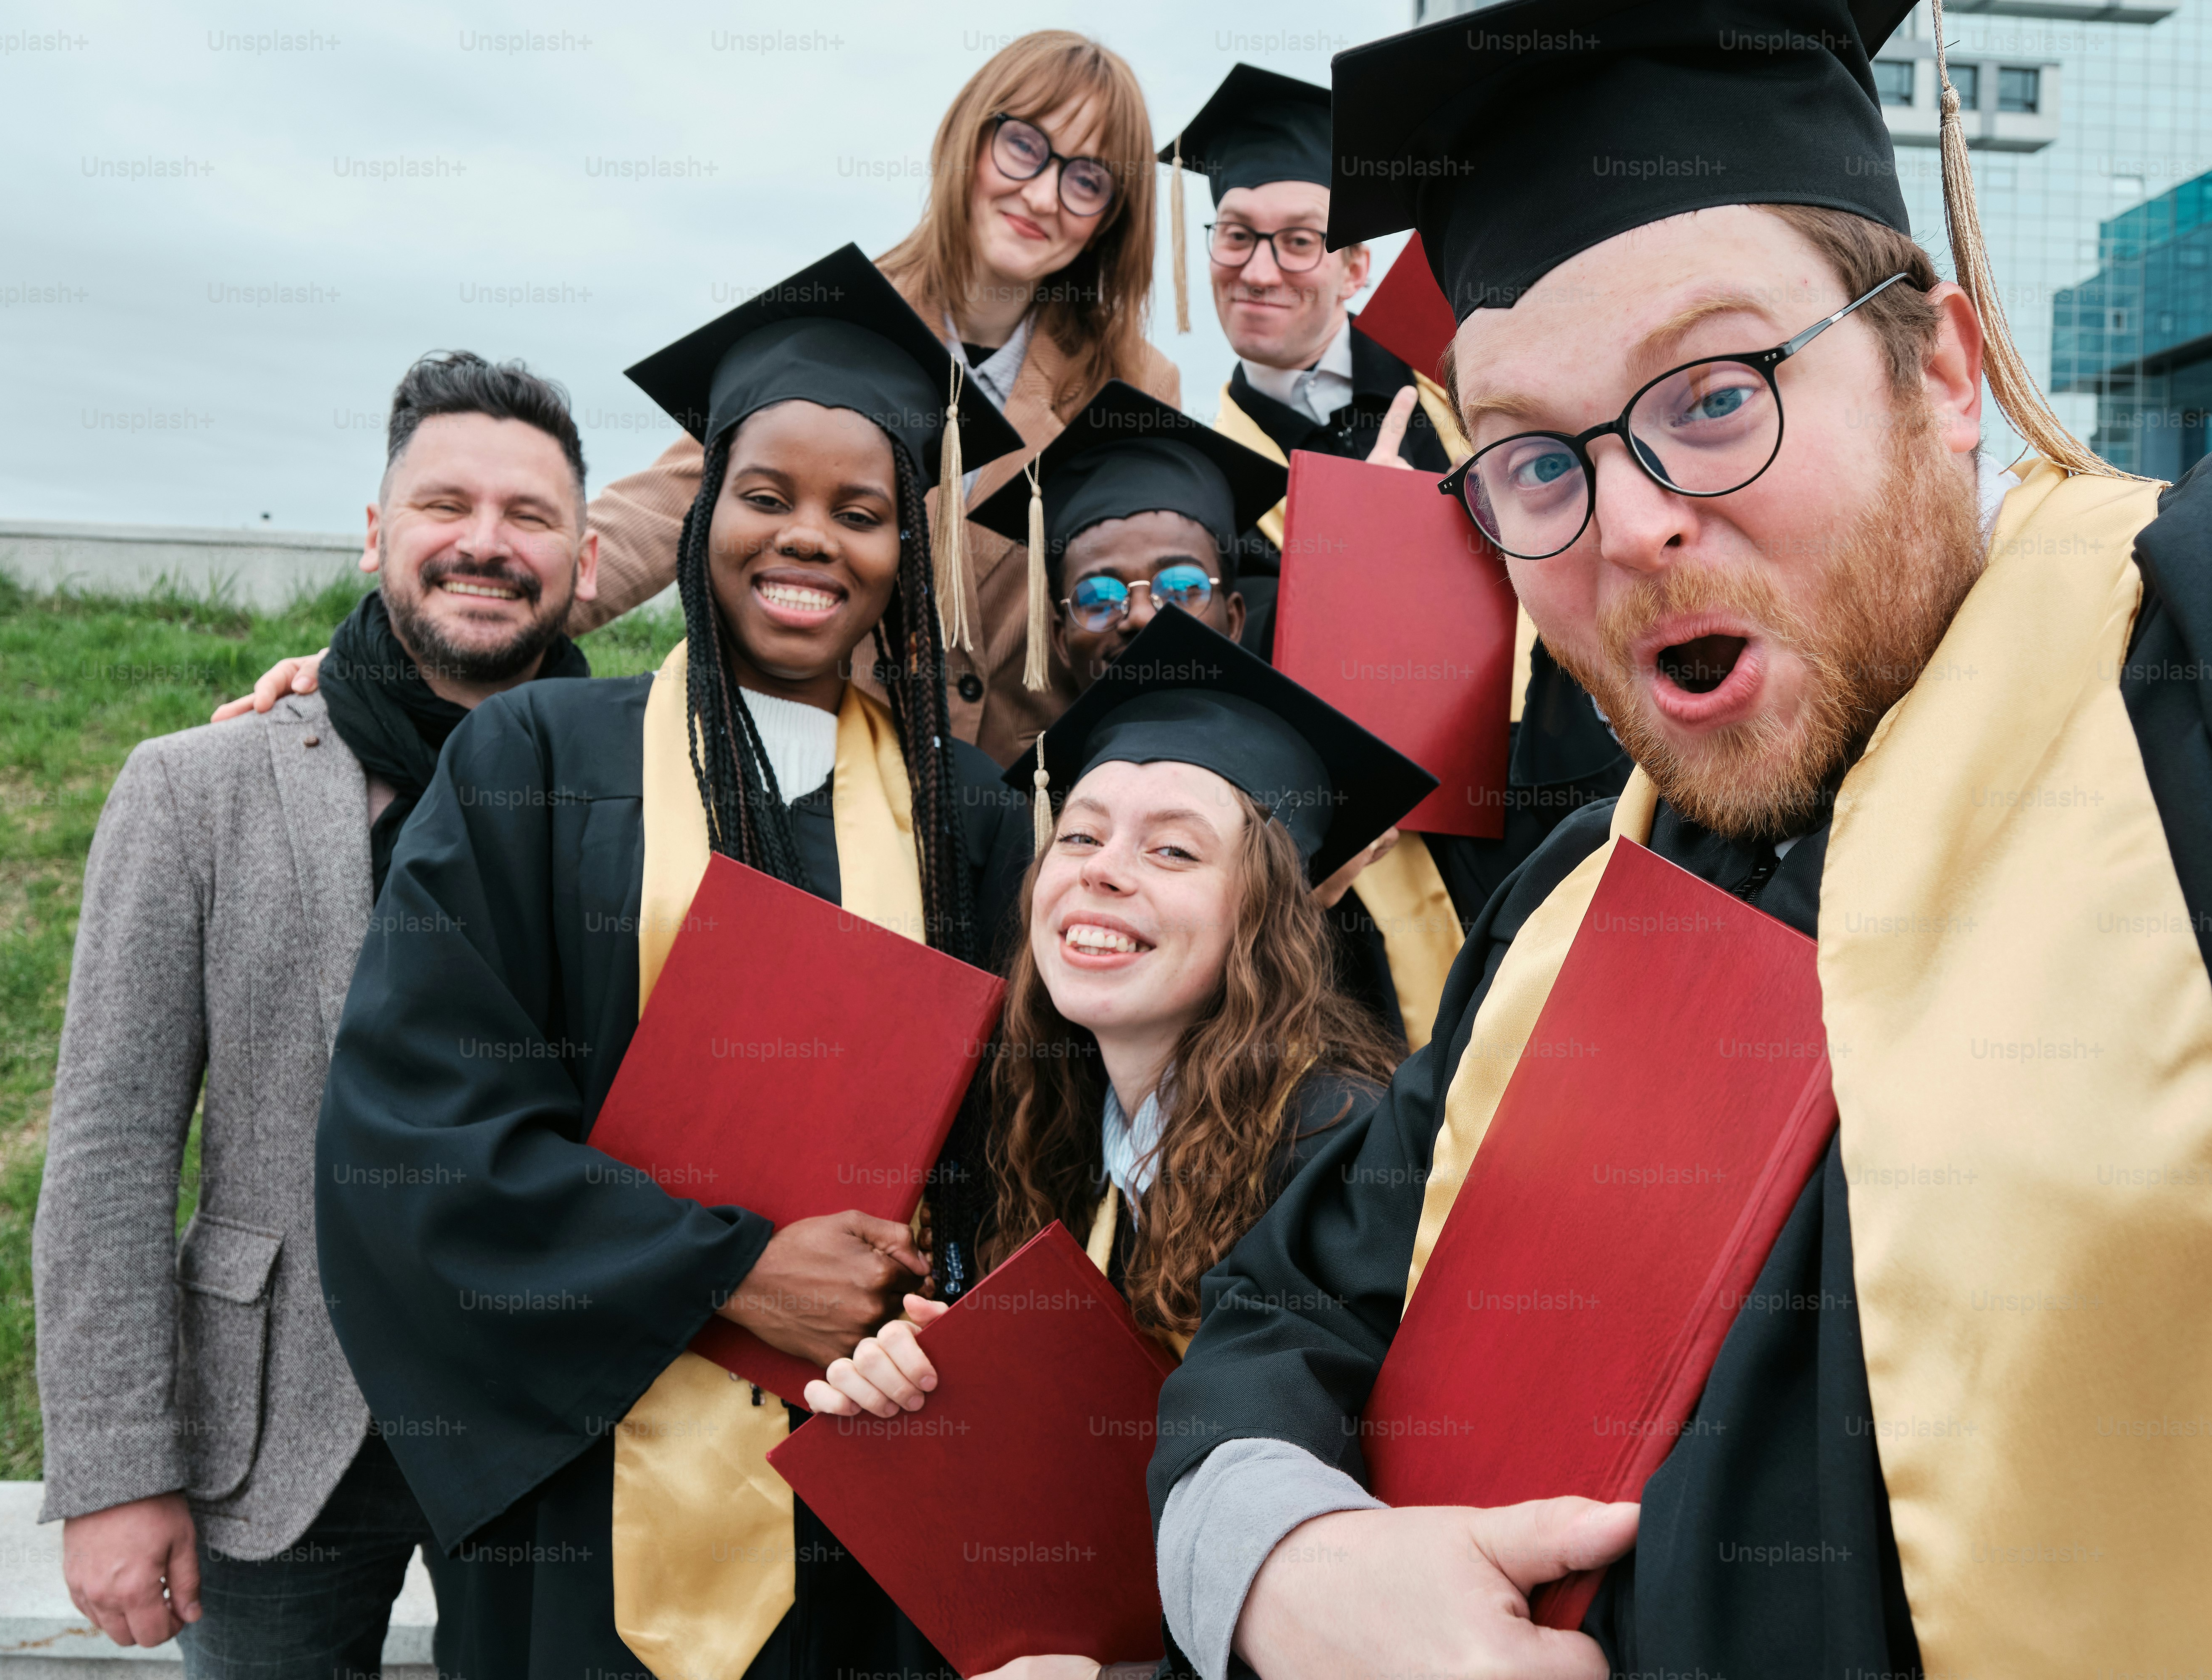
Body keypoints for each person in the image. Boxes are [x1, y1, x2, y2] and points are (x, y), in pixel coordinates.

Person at [1148, 2, 2212, 1678]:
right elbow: (1281, 1323)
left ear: (1944, 371)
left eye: (1718, 393)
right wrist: (1287, 1570)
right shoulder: (1571, 916)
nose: (1639, 521)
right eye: (1534, 460)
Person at [311, 247, 1035, 1680]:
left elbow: (1029, 1144)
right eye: (765, 497)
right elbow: (414, 1137)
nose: (808, 540)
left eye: (862, 511)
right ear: (705, 515)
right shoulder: (534, 766)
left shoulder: (972, 819)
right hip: (590, 1492)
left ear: (907, 552)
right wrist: (724, 1274)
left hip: (876, 1480)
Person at [32, 351, 598, 1678]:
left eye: (529, 517)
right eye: (444, 504)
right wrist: (116, 1471)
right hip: (276, 1427)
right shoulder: (196, 791)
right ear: (376, 532)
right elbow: (112, 1144)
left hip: (553, 1419)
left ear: (582, 556)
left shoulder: (642, 785)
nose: (484, 542)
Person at [220, 31, 1179, 763]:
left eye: (1085, 176)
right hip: (828, 772)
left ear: (1112, 214)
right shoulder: (830, 322)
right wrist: (387, 650)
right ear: (969, 144)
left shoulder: (1136, 385)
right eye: (1024, 147)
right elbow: (658, 511)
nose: (1044, 193)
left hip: (1027, 795)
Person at [801, 607, 1430, 1680]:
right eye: (1080, 834)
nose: (1100, 869)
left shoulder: (1347, 1160)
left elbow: (1360, 1557)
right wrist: (939, 1408)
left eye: (1173, 848)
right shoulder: (1042, 1137)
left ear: (1265, 914)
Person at [1159, 63, 1629, 1051]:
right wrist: (1364, 552)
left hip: (1544, 796)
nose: (1261, 268)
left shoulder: (1467, 391)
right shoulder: (1200, 482)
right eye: (1236, 235)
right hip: (1359, 872)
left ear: (1353, 267)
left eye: (1300, 240)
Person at [967, 378, 1434, 1047]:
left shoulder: (1305, 812)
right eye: (1097, 596)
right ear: (1057, 632)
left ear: (1234, 617)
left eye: (1180, 588)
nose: (1139, 616)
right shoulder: (1015, 832)